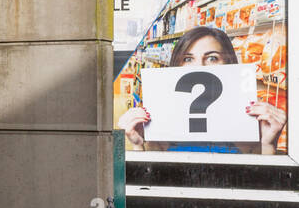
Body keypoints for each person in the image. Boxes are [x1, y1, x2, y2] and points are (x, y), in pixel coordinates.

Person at [118, 25, 287, 155]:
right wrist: (137, 144)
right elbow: (150, 181)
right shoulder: (162, 118)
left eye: (212, 58)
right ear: (177, 65)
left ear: (229, 63)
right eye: (188, 59)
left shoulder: (247, 120)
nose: (199, 66)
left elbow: (259, 184)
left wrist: (268, 144)